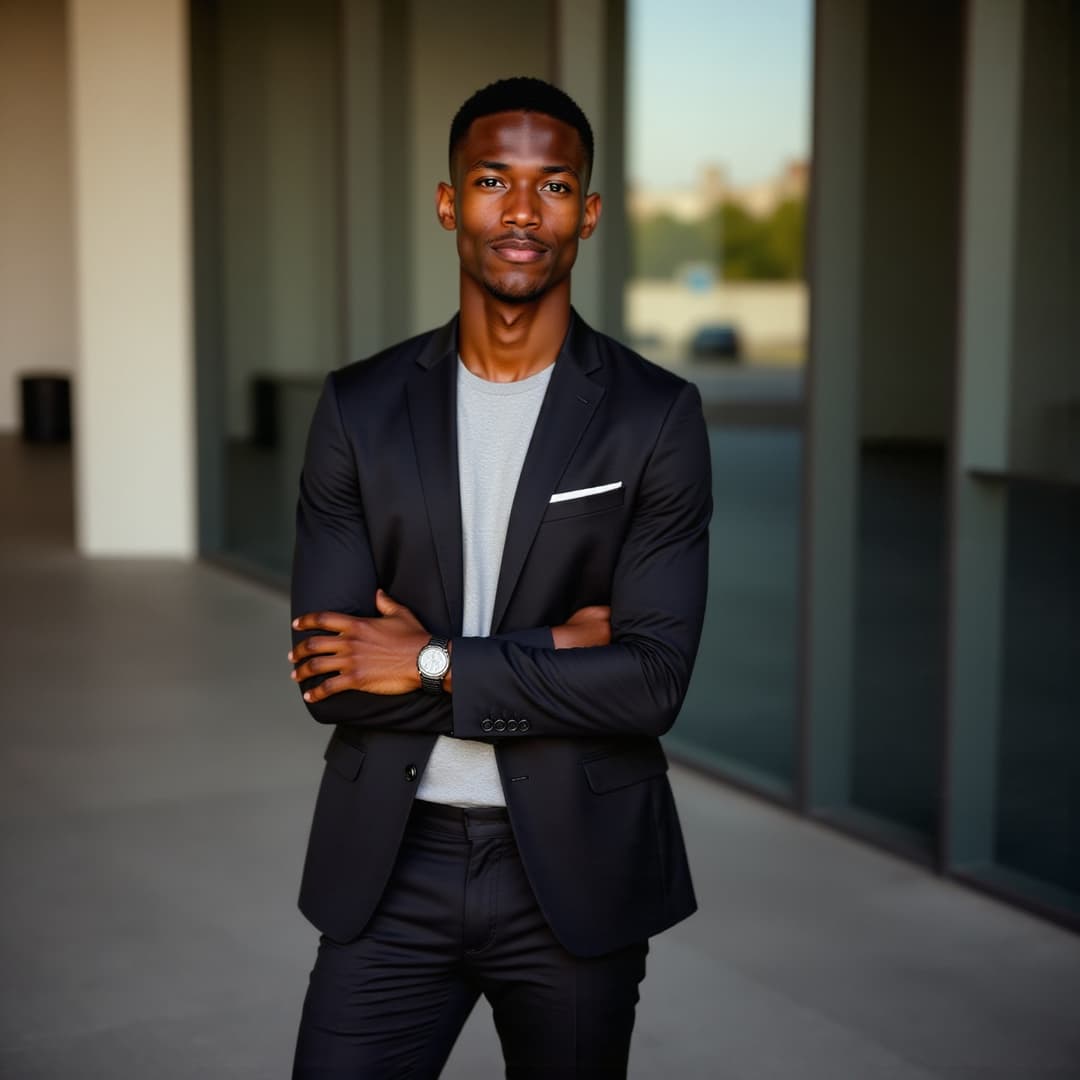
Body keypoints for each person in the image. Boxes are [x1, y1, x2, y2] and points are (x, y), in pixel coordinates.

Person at [287, 76, 711, 1078]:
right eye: (491, 180)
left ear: (589, 214)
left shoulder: (654, 417)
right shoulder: (359, 408)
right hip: (392, 860)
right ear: (448, 203)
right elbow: (329, 676)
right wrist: (560, 654)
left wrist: (432, 660)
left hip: (575, 864)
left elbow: (652, 683)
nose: (522, 212)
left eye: (554, 185)